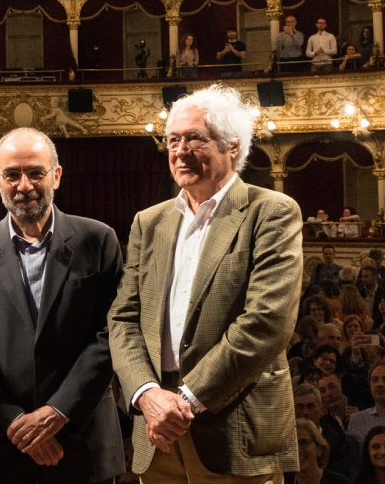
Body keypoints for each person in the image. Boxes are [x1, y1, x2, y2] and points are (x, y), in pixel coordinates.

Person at [109, 85, 304, 482]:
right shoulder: (150, 222)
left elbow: (267, 323)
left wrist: (184, 402)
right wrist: (147, 396)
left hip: (233, 425)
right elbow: (123, 319)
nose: (180, 150)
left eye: (195, 138)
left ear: (232, 145)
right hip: (157, 429)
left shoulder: (271, 212)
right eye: (173, 140)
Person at [0, 128, 125, 483]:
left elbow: (113, 334)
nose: (24, 185)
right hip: (2, 447)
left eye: (35, 173)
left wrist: (58, 412)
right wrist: (14, 421)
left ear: (56, 176)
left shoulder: (99, 240)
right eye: (12, 175)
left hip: (82, 441)